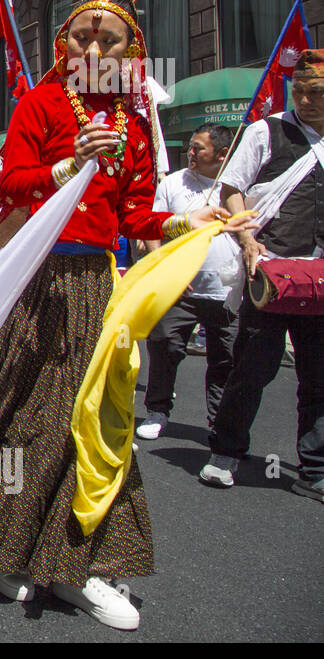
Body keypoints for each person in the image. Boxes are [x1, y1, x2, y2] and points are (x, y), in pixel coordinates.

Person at [0, 0, 235, 631]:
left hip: (95, 285)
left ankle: (81, 567)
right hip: (34, 279)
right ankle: (14, 549)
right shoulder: (42, 105)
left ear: (131, 54)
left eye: (111, 41)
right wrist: (70, 164)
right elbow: (11, 183)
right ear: (65, 44)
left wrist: (190, 223)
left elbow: (140, 216)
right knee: (30, 418)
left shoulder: (135, 126)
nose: (95, 51)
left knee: (97, 424)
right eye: (83, 37)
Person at [200, 49, 324, 503]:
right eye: (302, 91)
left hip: (320, 278)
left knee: (319, 376)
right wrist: (249, 240)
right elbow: (232, 188)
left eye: (318, 93)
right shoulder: (266, 130)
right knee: (253, 367)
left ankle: (314, 469)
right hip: (268, 272)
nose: (307, 100)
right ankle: (227, 452)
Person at [137, 124, 239, 440]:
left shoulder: (236, 186)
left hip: (226, 290)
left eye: (199, 148)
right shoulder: (172, 184)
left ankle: (218, 422)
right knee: (165, 344)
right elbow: (153, 227)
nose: (191, 153)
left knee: (227, 356)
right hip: (179, 287)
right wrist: (163, 266)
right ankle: (157, 411)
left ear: (222, 154)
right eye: (191, 147)